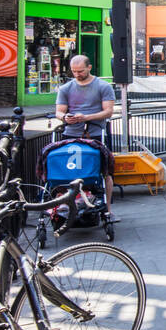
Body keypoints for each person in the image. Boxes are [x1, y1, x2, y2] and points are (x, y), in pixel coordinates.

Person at [55, 55, 117, 220]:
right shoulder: (66, 88)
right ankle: (65, 206)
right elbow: (59, 111)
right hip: (70, 133)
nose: (77, 74)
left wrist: (86, 117)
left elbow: (108, 111)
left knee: (105, 172)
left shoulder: (103, 86)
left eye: (80, 71)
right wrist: (65, 117)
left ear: (89, 68)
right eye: (74, 71)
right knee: (67, 171)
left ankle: (108, 209)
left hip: (95, 133)